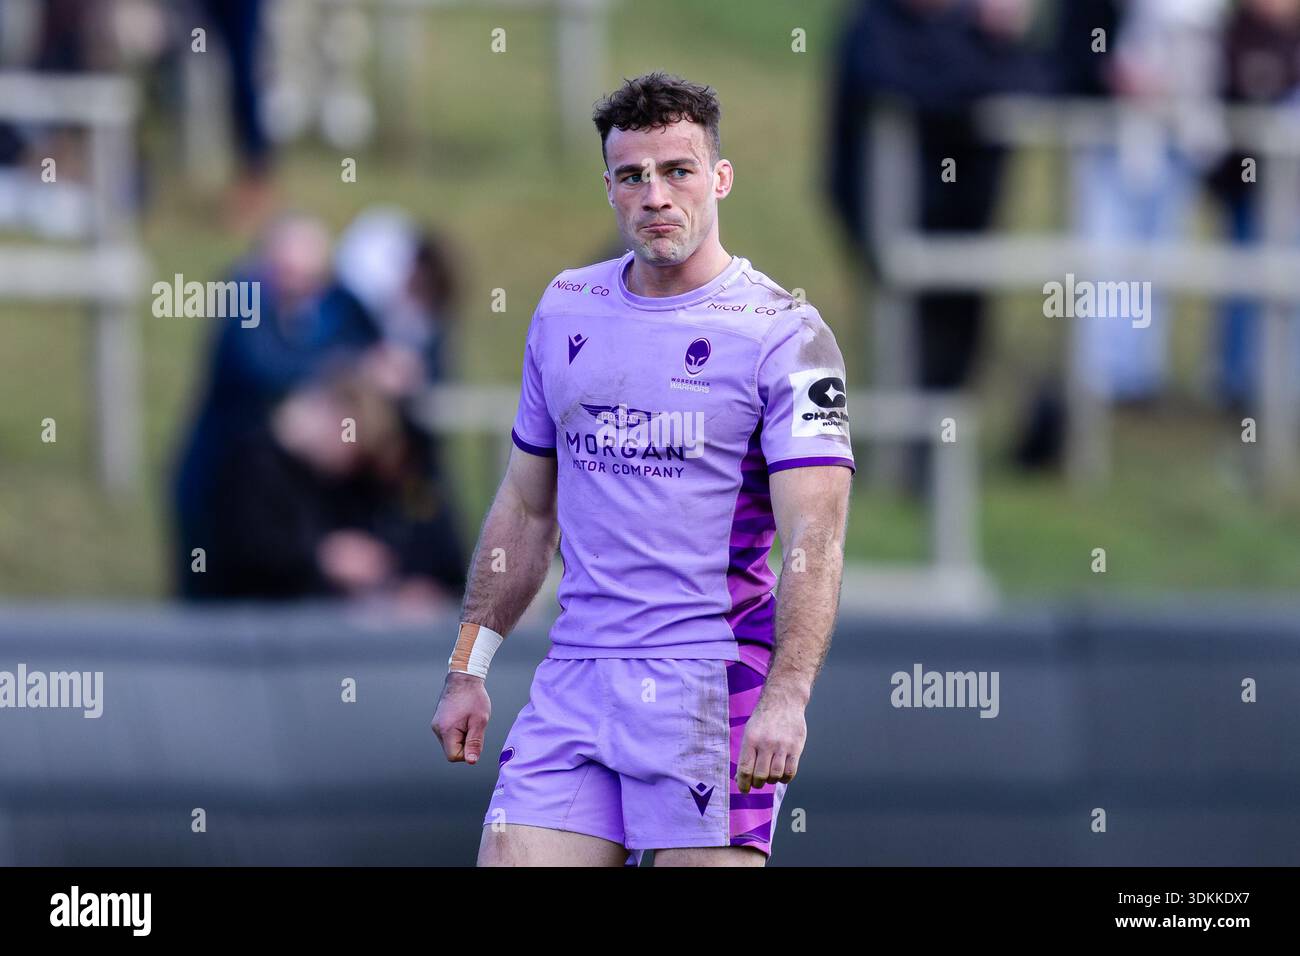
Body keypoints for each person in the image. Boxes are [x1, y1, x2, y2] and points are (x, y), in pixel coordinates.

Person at [431, 73, 855, 867]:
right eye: (633, 176)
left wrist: (788, 698)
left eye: (678, 171)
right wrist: (468, 667)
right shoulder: (565, 308)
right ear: (610, 188)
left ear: (720, 178)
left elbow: (816, 533)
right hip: (578, 679)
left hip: (711, 680)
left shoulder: (785, 336)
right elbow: (525, 510)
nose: (655, 195)